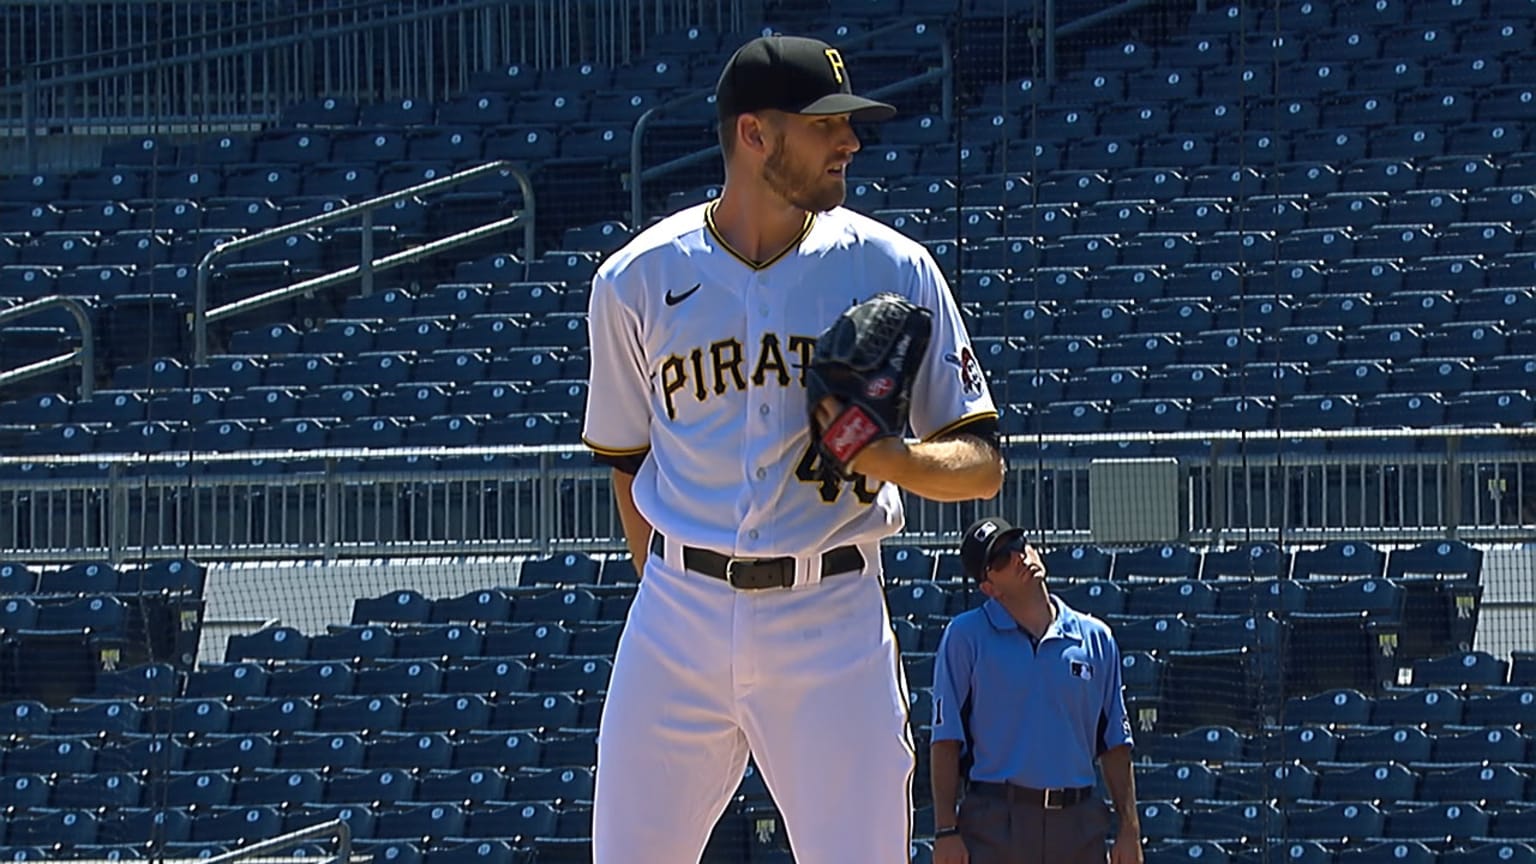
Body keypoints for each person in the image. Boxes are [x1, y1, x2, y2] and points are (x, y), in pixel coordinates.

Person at [581, 34, 1006, 864]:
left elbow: (983, 462)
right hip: (677, 616)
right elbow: (628, 464)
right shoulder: (634, 279)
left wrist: (891, 460)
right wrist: (685, 594)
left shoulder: (892, 266)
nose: (849, 140)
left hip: (830, 615)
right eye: (824, 125)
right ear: (754, 134)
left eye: (847, 124)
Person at [929, 517, 1142, 864]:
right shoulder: (965, 637)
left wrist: (1129, 829)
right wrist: (945, 830)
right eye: (1000, 558)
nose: (1017, 557)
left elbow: (1115, 743)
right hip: (996, 821)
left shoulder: (1095, 638)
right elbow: (945, 740)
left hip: (1078, 823)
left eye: (1018, 544)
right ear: (989, 587)